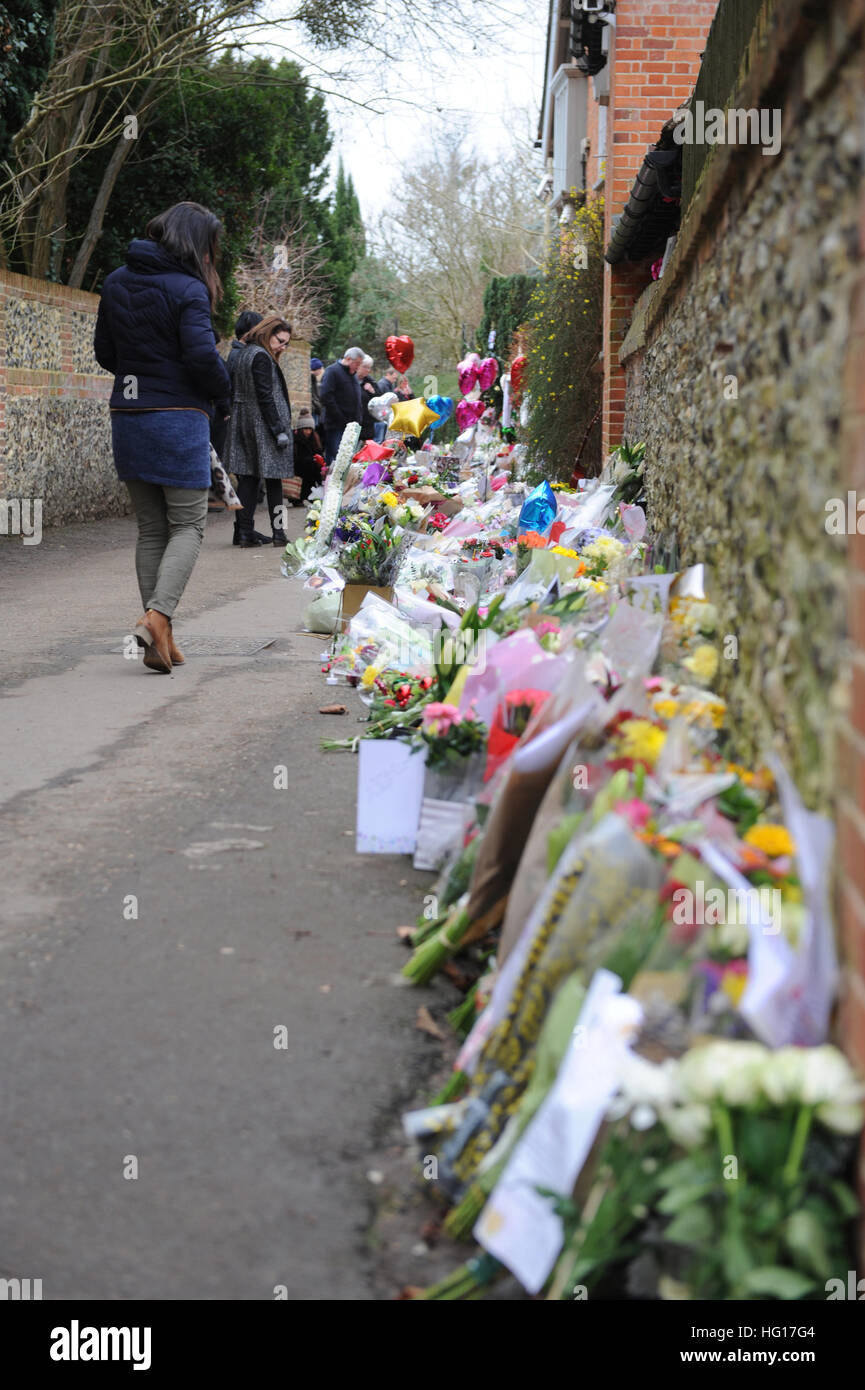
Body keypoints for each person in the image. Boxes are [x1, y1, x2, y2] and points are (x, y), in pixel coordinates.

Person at [94, 200, 230, 674]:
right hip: (177, 419)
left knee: (151, 528)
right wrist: (223, 389)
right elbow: (200, 356)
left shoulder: (114, 282)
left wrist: (144, 381)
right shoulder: (189, 289)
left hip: (127, 417)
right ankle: (156, 620)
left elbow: (104, 351)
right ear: (195, 243)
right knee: (189, 525)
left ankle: (161, 636)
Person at [223, 313, 294, 548]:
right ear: (268, 333)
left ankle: (244, 532)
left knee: (248, 479)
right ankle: (280, 532)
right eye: (280, 340)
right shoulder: (262, 356)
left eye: (286, 343)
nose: (282, 346)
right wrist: (278, 430)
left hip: (245, 421)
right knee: (274, 481)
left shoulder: (244, 353)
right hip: (263, 424)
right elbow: (265, 396)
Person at [318, 346, 364, 463]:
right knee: (336, 458)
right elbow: (326, 397)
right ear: (348, 359)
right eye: (357, 363)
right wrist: (340, 417)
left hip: (352, 425)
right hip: (336, 424)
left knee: (348, 459)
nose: (358, 366)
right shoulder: (332, 371)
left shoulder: (352, 375)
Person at [292, 411, 325, 503]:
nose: (308, 432)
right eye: (305, 429)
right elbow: (296, 458)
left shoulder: (314, 440)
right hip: (299, 469)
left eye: (310, 429)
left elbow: (319, 453)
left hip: (311, 469)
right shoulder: (296, 441)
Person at [357, 354, 379, 441]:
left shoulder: (370, 381)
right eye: (365, 367)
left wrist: (372, 391)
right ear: (358, 366)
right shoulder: (350, 379)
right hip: (354, 422)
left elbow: (379, 398)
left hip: (368, 423)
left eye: (369, 368)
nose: (368, 370)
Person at [310, 357, 324, 429]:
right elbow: (314, 395)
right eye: (320, 368)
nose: (321, 370)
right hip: (314, 409)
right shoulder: (312, 378)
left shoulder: (312, 377)